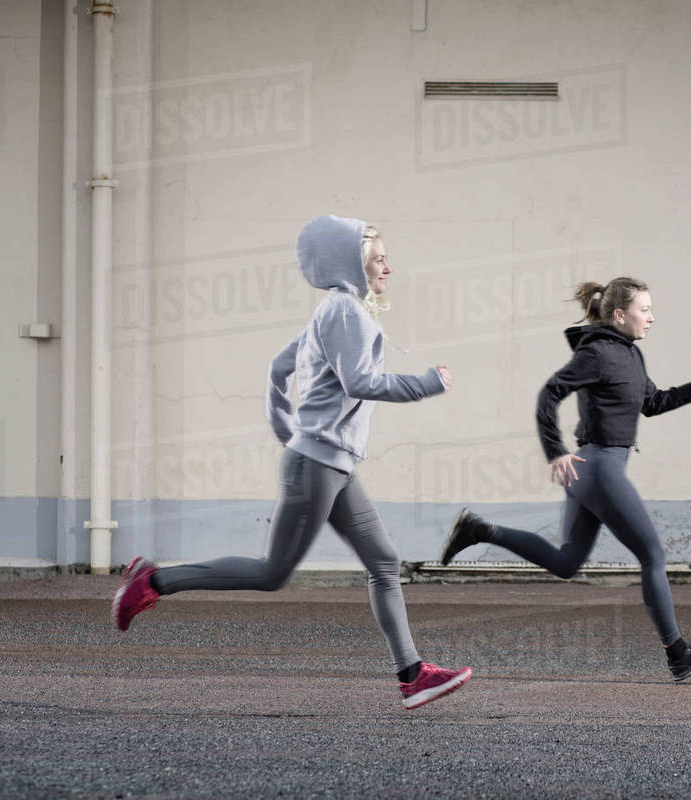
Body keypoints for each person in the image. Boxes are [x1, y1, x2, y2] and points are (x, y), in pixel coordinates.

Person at [112, 215, 472, 710]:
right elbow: (360, 382)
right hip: (318, 466)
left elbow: (280, 367)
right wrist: (427, 382)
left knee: (384, 563)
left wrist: (288, 429)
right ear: (351, 262)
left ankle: (413, 676)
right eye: (378, 258)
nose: (388, 266)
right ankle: (153, 581)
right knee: (272, 572)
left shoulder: (337, 310)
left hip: (330, 464)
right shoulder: (345, 313)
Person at [439, 277, 691, 682]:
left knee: (566, 562)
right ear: (620, 315)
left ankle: (480, 530)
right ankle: (677, 653)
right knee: (653, 555)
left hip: (593, 470)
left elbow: (652, 402)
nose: (652, 317)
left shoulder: (630, 354)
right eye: (645, 310)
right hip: (598, 470)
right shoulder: (596, 354)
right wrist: (555, 451)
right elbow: (549, 394)